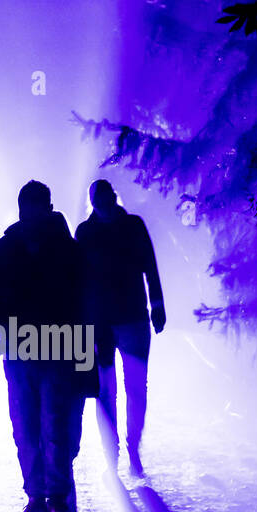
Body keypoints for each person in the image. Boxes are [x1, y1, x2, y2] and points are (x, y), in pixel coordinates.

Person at [0, 180, 85, 512]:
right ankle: (48, 496)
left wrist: (2, 333)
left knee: (35, 424)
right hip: (52, 348)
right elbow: (81, 300)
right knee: (39, 425)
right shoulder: (66, 248)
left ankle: (43, 496)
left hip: (32, 350)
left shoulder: (8, 247)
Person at [75, 178, 166, 478]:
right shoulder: (130, 226)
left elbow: (149, 266)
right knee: (126, 388)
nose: (103, 205)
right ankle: (125, 450)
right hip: (122, 318)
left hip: (108, 320)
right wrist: (157, 306)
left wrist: (157, 306)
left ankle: (120, 451)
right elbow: (150, 267)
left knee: (115, 389)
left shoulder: (86, 232)